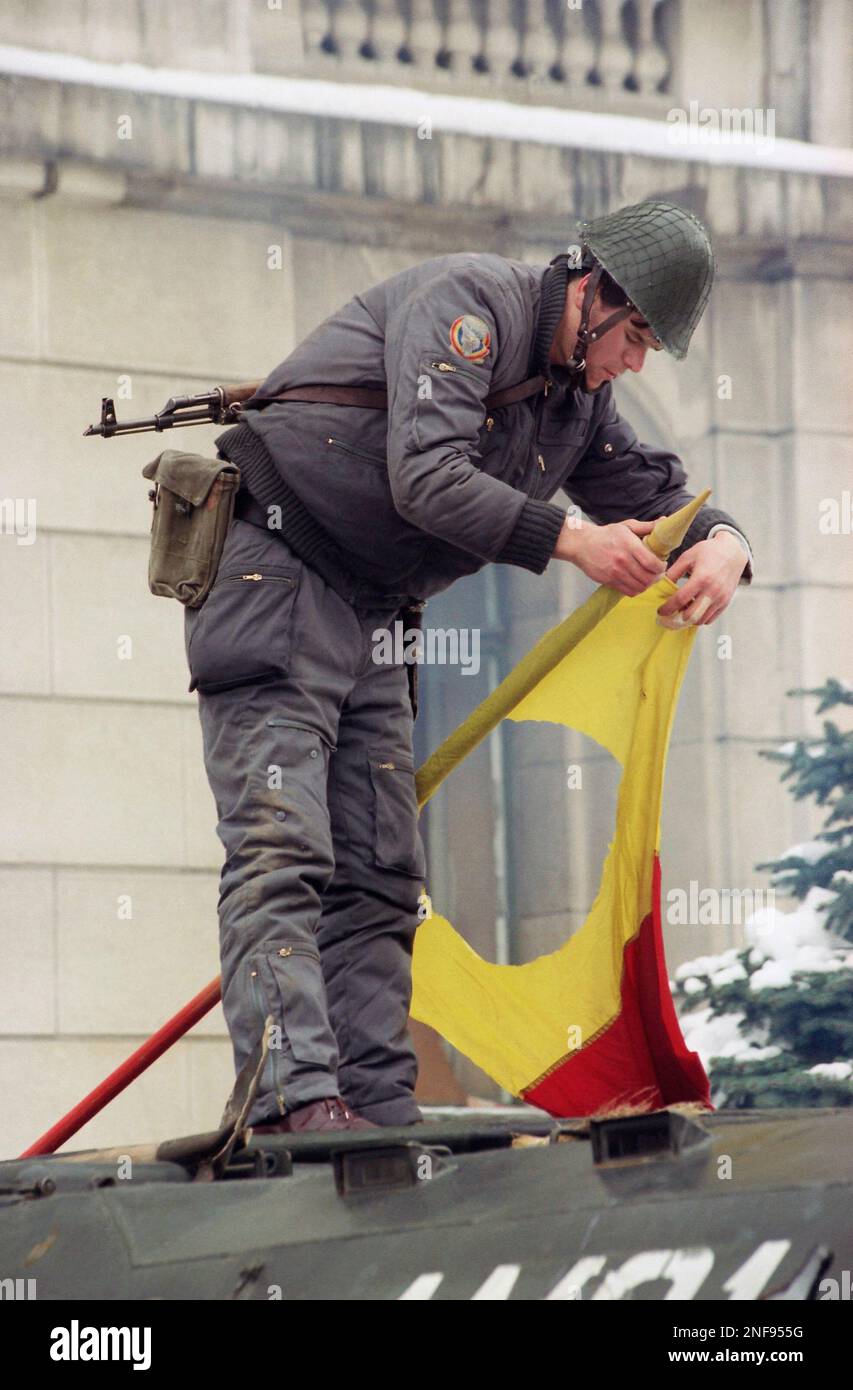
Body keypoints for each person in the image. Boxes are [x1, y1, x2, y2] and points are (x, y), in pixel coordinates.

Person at [185, 199, 753, 1134]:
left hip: (369, 608)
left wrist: (723, 538)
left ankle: (371, 1105)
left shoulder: (575, 400)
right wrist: (570, 537)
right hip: (275, 573)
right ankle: (290, 1102)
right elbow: (428, 474)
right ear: (590, 292)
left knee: (378, 867)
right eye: (637, 335)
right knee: (283, 847)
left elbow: (656, 493)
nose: (636, 362)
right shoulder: (469, 305)